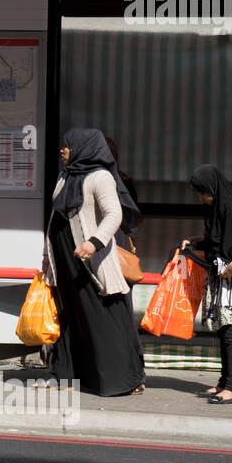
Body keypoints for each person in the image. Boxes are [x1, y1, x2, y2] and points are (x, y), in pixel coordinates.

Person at [41, 128, 146, 397]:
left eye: (67, 146)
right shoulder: (67, 176)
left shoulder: (100, 177)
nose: (62, 150)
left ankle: (121, 378)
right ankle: (65, 374)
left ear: (82, 148)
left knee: (100, 317)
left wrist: (94, 242)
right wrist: (47, 257)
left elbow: (114, 214)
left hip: (91, 260)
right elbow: (57, 216)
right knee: (69, 316)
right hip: (65, 258)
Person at [183, 165, 232, 406]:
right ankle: (224, 383)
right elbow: (220, 240)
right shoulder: (217, 208)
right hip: (223, 275)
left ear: (211, 188)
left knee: (231, 331)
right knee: (223, 330)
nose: (200, 197)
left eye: (201, 192)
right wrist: (197, 242)